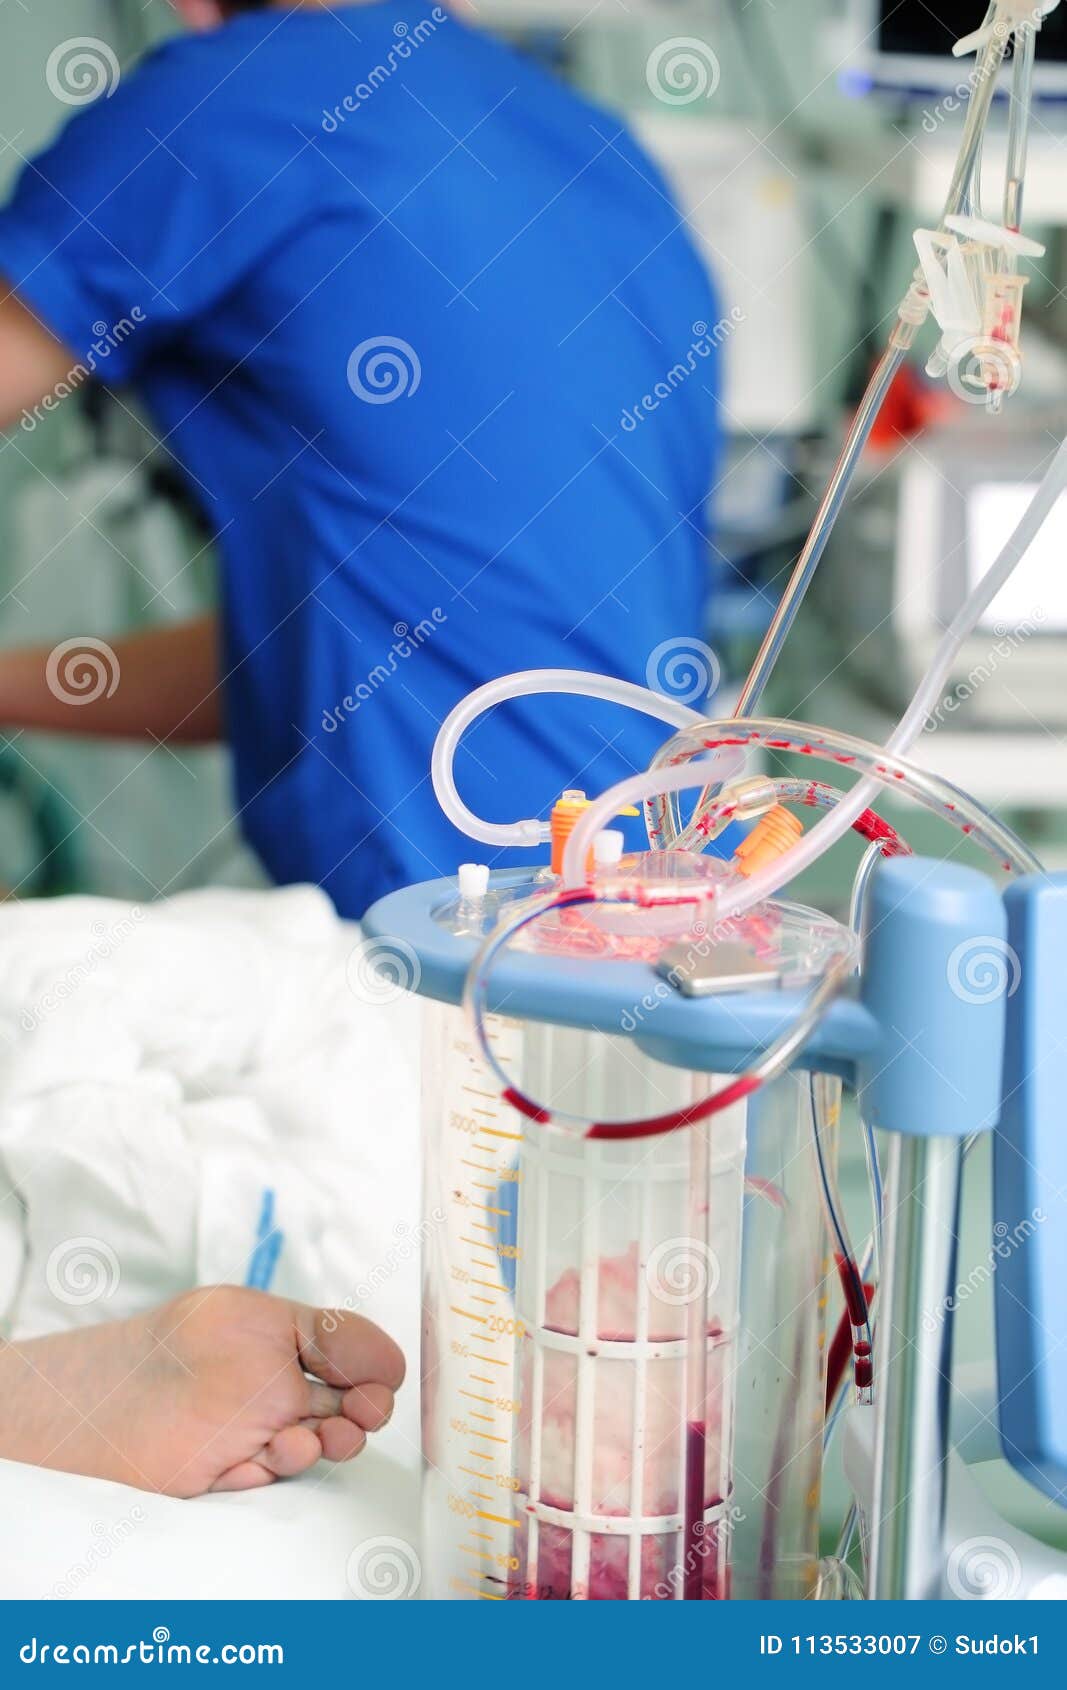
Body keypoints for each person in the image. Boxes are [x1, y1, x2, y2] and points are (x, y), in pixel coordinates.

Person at [0, 0, 719, 1495]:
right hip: (632, 1020)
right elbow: (329, 652)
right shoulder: (589, 156)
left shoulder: (237, 94)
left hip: (424, 985)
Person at [0, 0, 720, 918]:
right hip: (675, 903)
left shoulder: (232, 99)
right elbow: (374, 641)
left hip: (458, 927)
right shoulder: (599, 152)